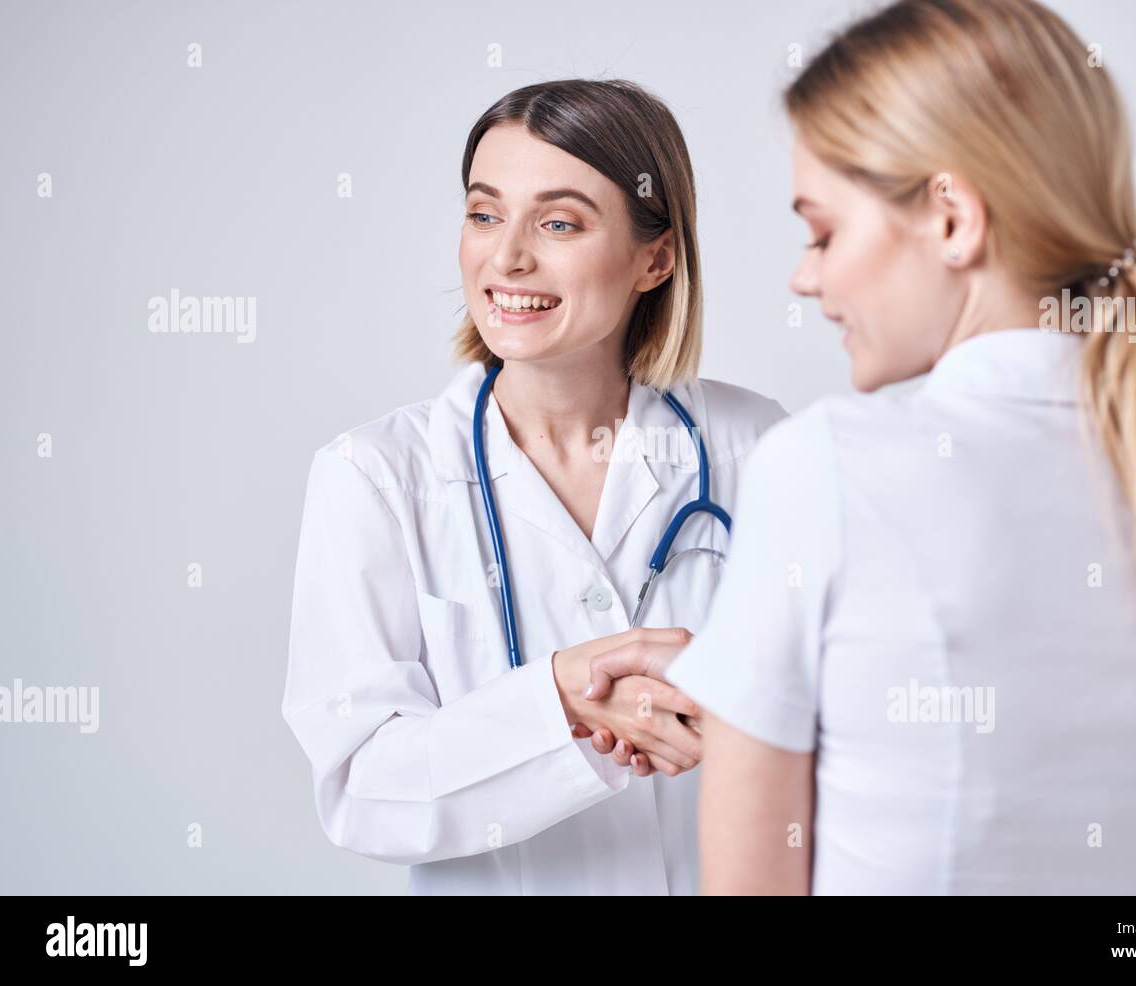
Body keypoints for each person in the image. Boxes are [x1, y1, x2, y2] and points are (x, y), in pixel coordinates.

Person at [653, 0, 1136, 894]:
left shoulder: (826, 468)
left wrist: (745, 692)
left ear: (954, 217)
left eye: (823, 231)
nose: (807, 277)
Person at [281, 79, 784, 895]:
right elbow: (362, 788)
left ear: (655, 257)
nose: (507, 257)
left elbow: (835, 712)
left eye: (559, 223)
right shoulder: (374, 476)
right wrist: (561, 699)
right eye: (484, 214)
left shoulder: (757, 448)